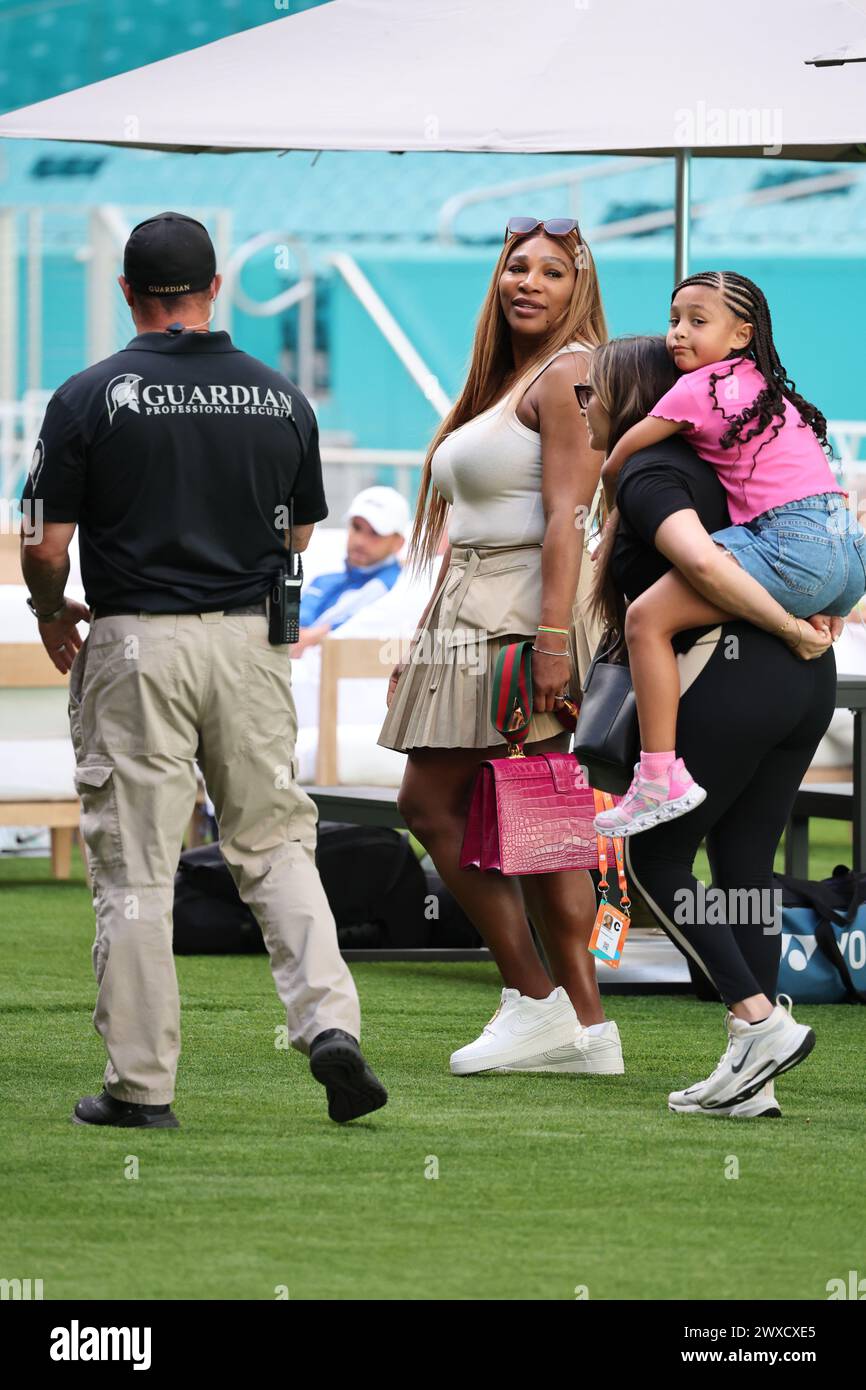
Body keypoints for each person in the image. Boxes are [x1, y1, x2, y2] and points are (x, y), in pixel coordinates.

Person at [18, 210, 387, 1128]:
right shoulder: (281, 398)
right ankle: (329, 1024)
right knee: (276, 845)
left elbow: (45, 543)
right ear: (215, 288)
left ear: (128, 291)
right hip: (250, 644)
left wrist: (49, 609)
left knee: (137, 868)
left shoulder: (87, 396)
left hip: (137, 642)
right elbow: (300, 535)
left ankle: (142, 1089)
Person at [378, 215, 621, 1077]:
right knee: (542, 819)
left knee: (435, 804)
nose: (529, 283)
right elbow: (468, 530)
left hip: (521, 616)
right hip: (470, 611)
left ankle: (535, 999)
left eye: (552, 272)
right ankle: (585, 1029)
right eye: (518, 267)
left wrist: (552, 640)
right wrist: (423, 639)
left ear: (579, 288)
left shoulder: (572, 372)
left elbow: (567, 516)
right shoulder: (505, 380)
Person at [580, 334, 840, 1118]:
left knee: (656, 855)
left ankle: (757, 1023)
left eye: (593, 391)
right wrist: (800, 627)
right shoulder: (727, 458)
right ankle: (752, 1075)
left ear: (633, 397)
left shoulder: (652, 472)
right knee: (744, 866)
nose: (584, 405)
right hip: (803, 681)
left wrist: (784, 626)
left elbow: (702, 566)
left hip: (738, 673)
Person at [594, 271, 865, 838]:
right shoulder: (768, 390)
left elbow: (622, 452)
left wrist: (610, 502)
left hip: (794, 542)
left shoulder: (697, 388)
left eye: (697, 321)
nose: (677, 333)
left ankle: (658, 776)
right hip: (846, 549)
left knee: (645, 619)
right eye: (674, 320)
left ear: (742, 334)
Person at [291, 485, 410, 657]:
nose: (360, 541)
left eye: (375, 533)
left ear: (398, 543)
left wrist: (316, 636)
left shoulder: (399, 588)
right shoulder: (324, 579)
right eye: (357, 527)